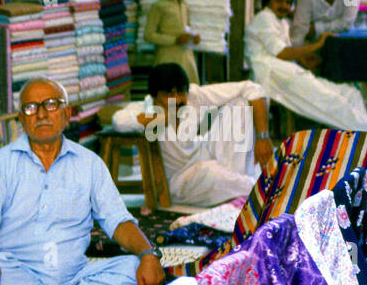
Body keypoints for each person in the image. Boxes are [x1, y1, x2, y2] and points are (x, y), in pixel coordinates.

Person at [0, 78, 166, 285]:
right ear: (21, 120)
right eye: (31, 108)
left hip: (74, 275)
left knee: (134, 270)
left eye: (51, 104)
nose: (41, 114)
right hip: (17, 272)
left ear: (66, 113)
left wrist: (148, 254)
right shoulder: (2, 161)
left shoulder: (89, 162)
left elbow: (117, 219)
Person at [245, 0, 367, 141]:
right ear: (268, 0)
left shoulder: (281, 22)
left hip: (287, 72)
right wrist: (317, 45)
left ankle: (363, 137)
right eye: (279, 0)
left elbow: (284, 49)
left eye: (288, 2)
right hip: (273, 77)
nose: (284, 6)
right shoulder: (264, 17)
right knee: (332, 102)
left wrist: (304, 58)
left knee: (350, 93)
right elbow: (282, 53)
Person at [111, 62, 274, 207]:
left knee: (240, 105)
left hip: (205, 155)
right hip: (182, 180)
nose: (178, 99)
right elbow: (119, 121)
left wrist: (262, 137)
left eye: (181, 92)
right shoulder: (145, 109)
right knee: (211, 172)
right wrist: (167, 117)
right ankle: (265, 188)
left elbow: (252, 88)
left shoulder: (192, 96)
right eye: (169, 94)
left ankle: (241, 187)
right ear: (155, 95)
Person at [144, 0, 200, 85]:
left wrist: (193, 37)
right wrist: (174, 40)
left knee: (189, 95)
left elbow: (186, 28)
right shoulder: (158, 6)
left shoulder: (184, 5)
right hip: (167, 58)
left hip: (186, 57)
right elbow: (148, 35)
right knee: (169, 97)